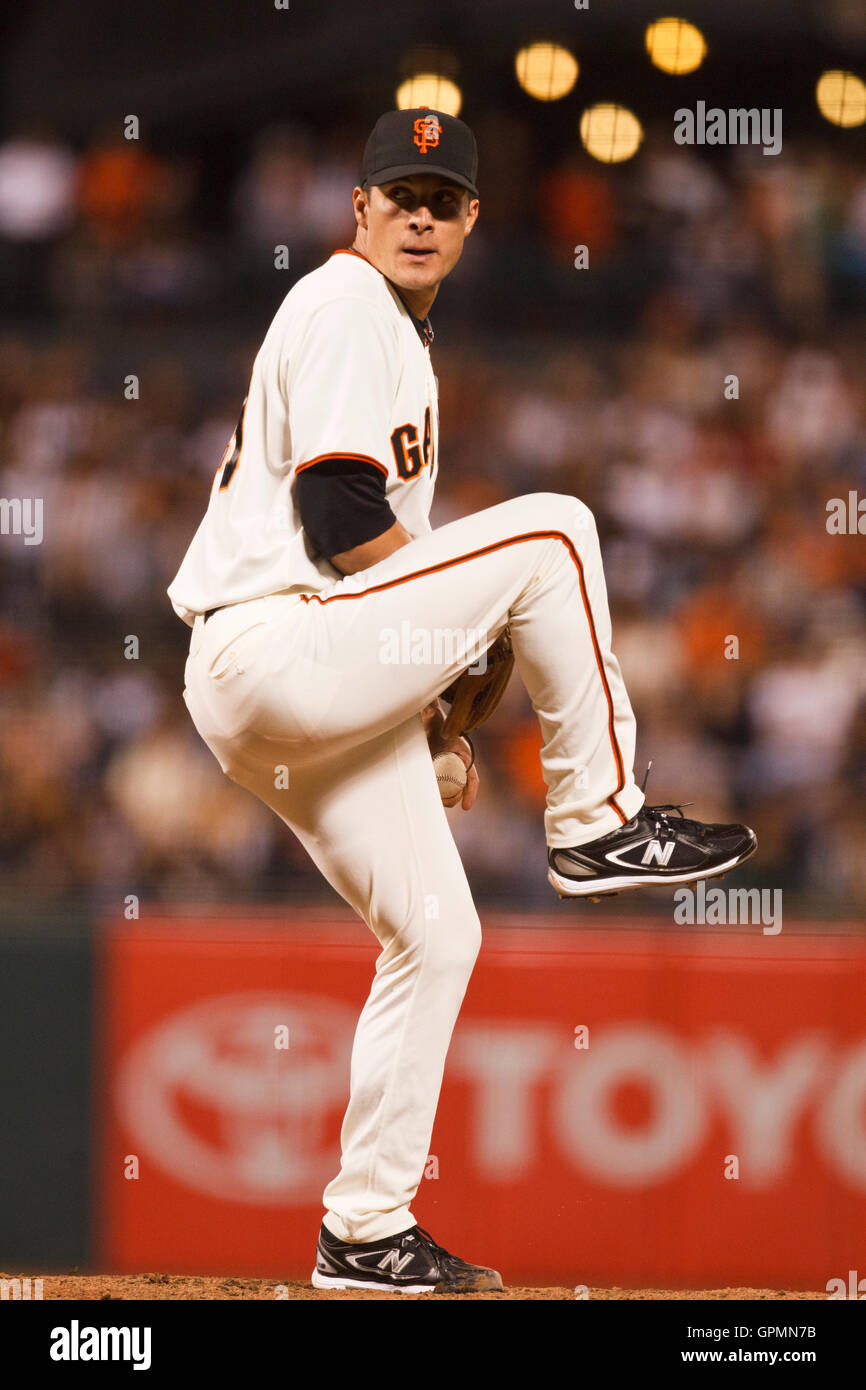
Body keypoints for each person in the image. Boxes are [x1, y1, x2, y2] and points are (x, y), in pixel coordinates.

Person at [167, 107, 756, 1294]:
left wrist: (426, 702)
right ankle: (596, 818)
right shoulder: (344, 303)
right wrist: (447, 659)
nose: (421, 215)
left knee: (437, 935)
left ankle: (363, 1229)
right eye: (402, 195)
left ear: (473, 219)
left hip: (290, 674)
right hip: (271, 640)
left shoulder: (391, 330)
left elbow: (375, 564)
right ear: (360, 209)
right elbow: (339, 521)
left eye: (443, 199)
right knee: (556, 526)